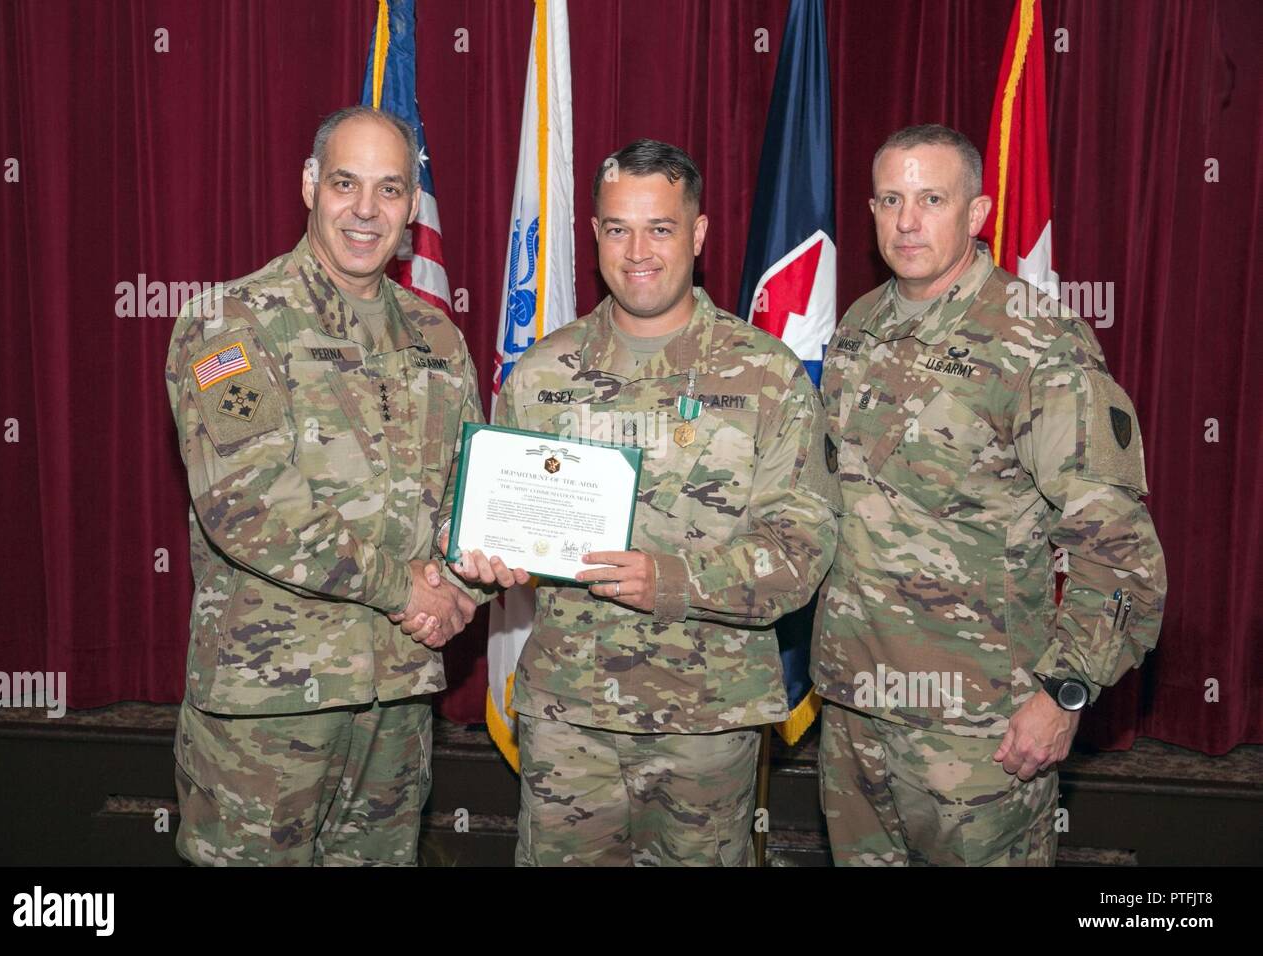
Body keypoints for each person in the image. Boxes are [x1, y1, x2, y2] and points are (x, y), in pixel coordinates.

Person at [164, 105, 523, 866]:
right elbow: (251, 507)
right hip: (272, 709)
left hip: (396, 702)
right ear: (308, 186)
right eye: (345, 183)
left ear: (411, 204)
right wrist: (406, 589)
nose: (366, 210)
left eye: (389, 190)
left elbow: (472, 497)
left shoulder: (437, 338)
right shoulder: (232, 324)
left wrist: (469, 588)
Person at [813, 124, 1167, 866]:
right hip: (855, 710)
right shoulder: (858, 327)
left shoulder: (1040, 346)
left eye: (931, 199)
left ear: (977, 213)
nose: (907, 221)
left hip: (977, 731)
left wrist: (1062, 696)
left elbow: (1121, 554)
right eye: (890, 199)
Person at [489, 138, 841, 866]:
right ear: (594, 235)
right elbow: (505, 519)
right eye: (618, 228)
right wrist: (488, 558)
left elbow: (802, 552)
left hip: (705, 727)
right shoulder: (541, 372)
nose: (638, 250)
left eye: (660, 227)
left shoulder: (765, 375)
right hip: (567, 719)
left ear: (699, 234)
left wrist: (672, 581)